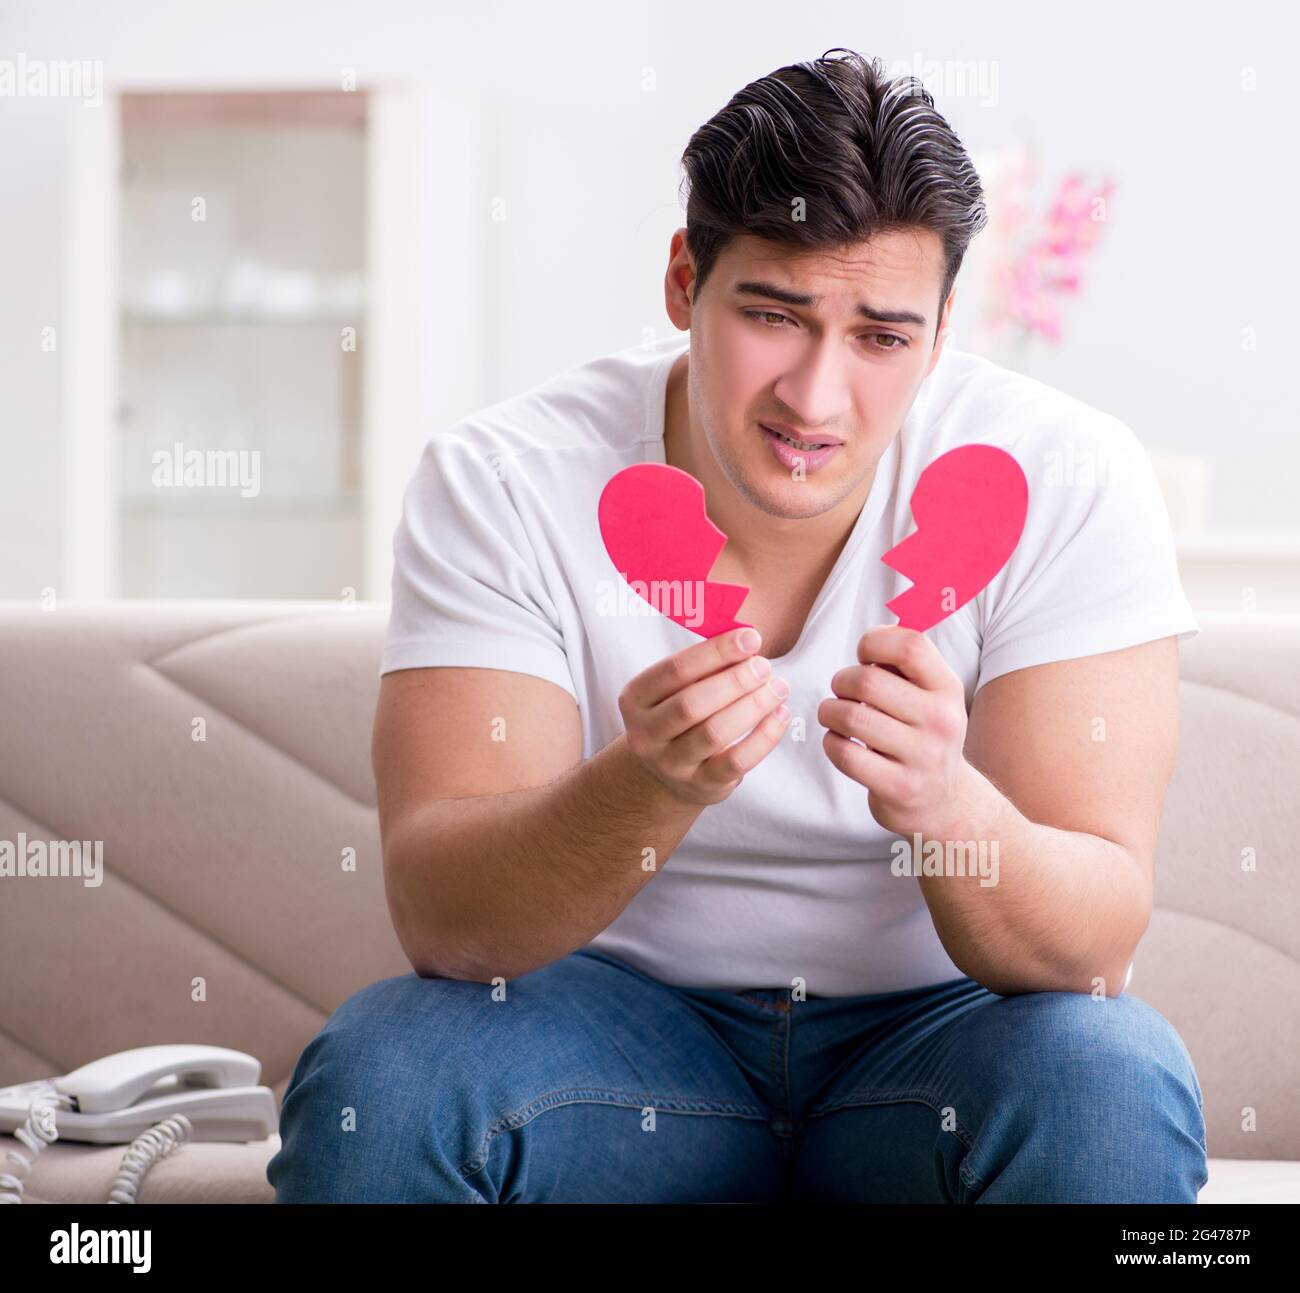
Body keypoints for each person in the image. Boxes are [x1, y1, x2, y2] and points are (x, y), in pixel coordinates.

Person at [267, 48, 1207, 1204]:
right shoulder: (507, 477)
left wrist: (942, 800)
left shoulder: (1064, 475)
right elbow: (446, 924)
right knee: (389, 1081)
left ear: (945, 327)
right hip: (604, 1027)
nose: (814, 399)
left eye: (881, 336)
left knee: (1108, 1084)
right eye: (774, 314)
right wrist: (646, 784)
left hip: (940, 1035)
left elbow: (1092, 947)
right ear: (682, 282)